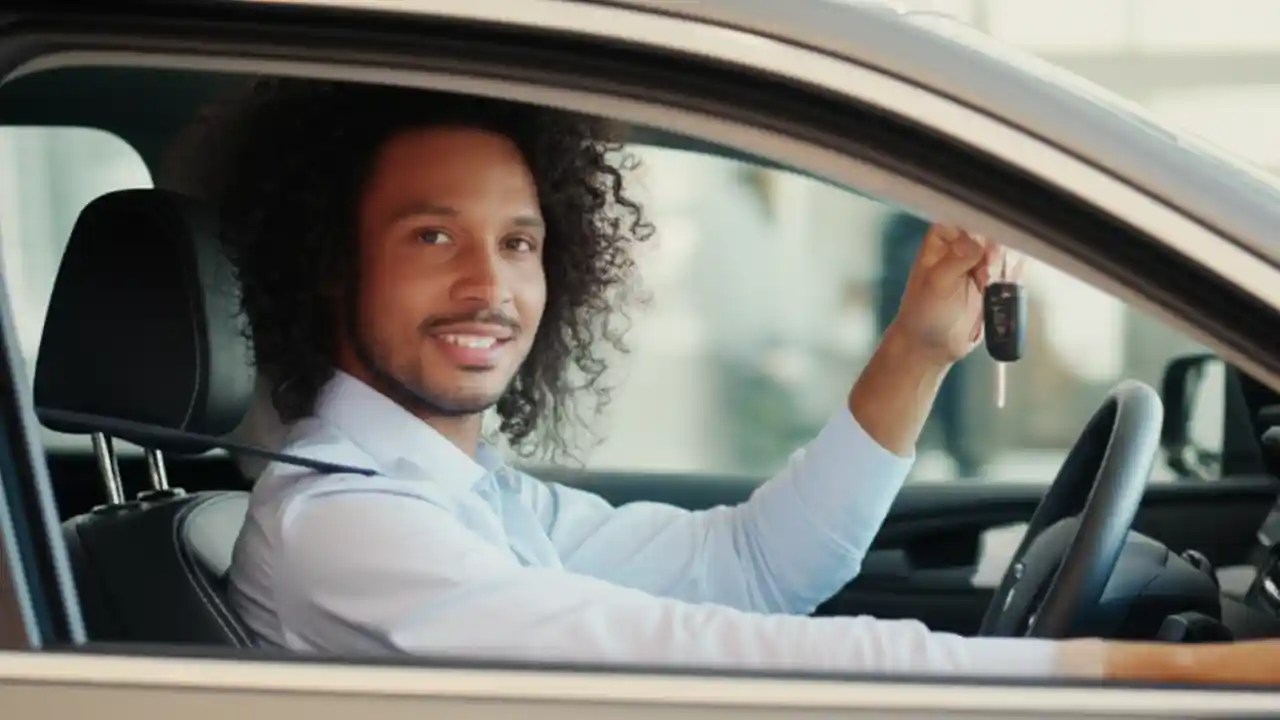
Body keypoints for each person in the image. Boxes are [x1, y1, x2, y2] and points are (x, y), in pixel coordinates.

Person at [207, 79, 1277, 683]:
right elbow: (690, 652)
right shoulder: (345, 527)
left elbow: (752, 570)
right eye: (432, 235)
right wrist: (1165, 675)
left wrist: (915, 348)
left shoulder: (462, 495)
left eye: (521, 242)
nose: (490, 285)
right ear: (331, 264)